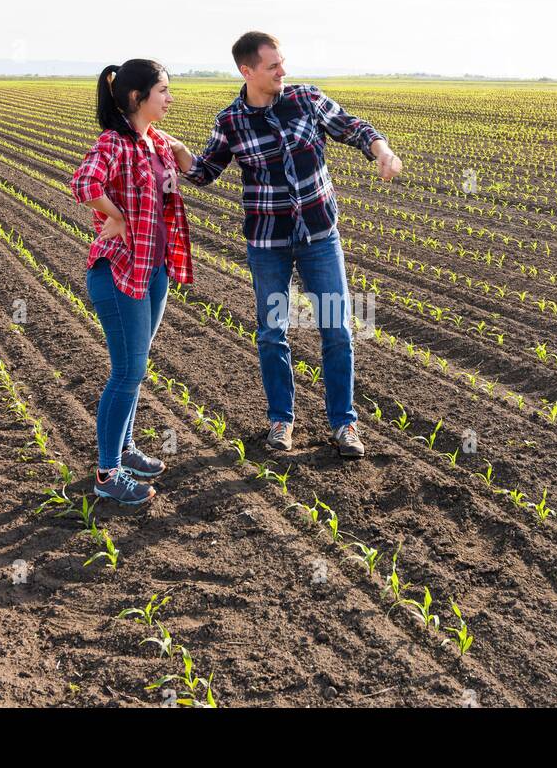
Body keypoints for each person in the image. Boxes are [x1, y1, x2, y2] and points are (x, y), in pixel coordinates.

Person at [168, 32, 402, 458]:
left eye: (282, 62)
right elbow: (205, 173)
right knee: (273, 333)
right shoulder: (231, 122)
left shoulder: (306, 100)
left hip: (318, 236)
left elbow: (354, 128)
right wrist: (180, 150)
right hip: (267, 242)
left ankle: (344, 425)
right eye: (273, 66)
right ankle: (281, 421)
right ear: (247, 71)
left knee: (337, 329)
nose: (283, 71)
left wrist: (381, 150)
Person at [70, 60, 194, 504]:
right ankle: (107, 474)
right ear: (137, 97)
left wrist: (180, 151)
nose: (170, 97)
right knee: (127, 371)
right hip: (119, 270)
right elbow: (84, 183)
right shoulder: (115, 142)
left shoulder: (155, 141)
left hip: (154, 267)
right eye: (163, 90)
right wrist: (116, 216)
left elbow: (193, 169)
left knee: (136, 368)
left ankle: (122, 449)